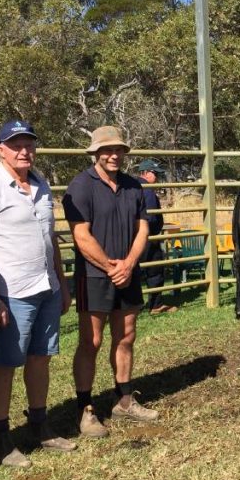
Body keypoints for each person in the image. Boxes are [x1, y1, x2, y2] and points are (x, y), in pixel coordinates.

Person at [0, 120, 75, 467]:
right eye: (16, 145)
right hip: (11, 292)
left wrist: (62, 281)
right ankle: (1, 436)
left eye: (29, 144)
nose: (24, 151)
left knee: (41, 358)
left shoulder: (41, 184)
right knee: (8, 363)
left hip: (46, 288)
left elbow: (50, 237)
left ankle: (39, 425)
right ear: (0, 149)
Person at [62, 125, 157, 438]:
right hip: (93, 275)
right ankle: (85, 408)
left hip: (128, 271)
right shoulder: (81, 186)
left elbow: (143, 229)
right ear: (95, 153)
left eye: (118, 150)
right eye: (107, 150)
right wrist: (109, 266)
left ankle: (124, 399)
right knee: (91, 341)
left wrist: (129, 263)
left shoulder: (134, 186)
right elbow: (81, 234)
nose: (113, 155)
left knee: (126, 335)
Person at [136, 159, 176, 315]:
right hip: (148, 237)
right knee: (154, 270)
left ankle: (135, 305)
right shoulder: (147, 190)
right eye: (155, 174)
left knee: (135, 271)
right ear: (145, 173)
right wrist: (154, 231)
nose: (157, 177)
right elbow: (151, 217)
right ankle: (156, 305)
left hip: (132, 238)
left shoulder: (131, 187)